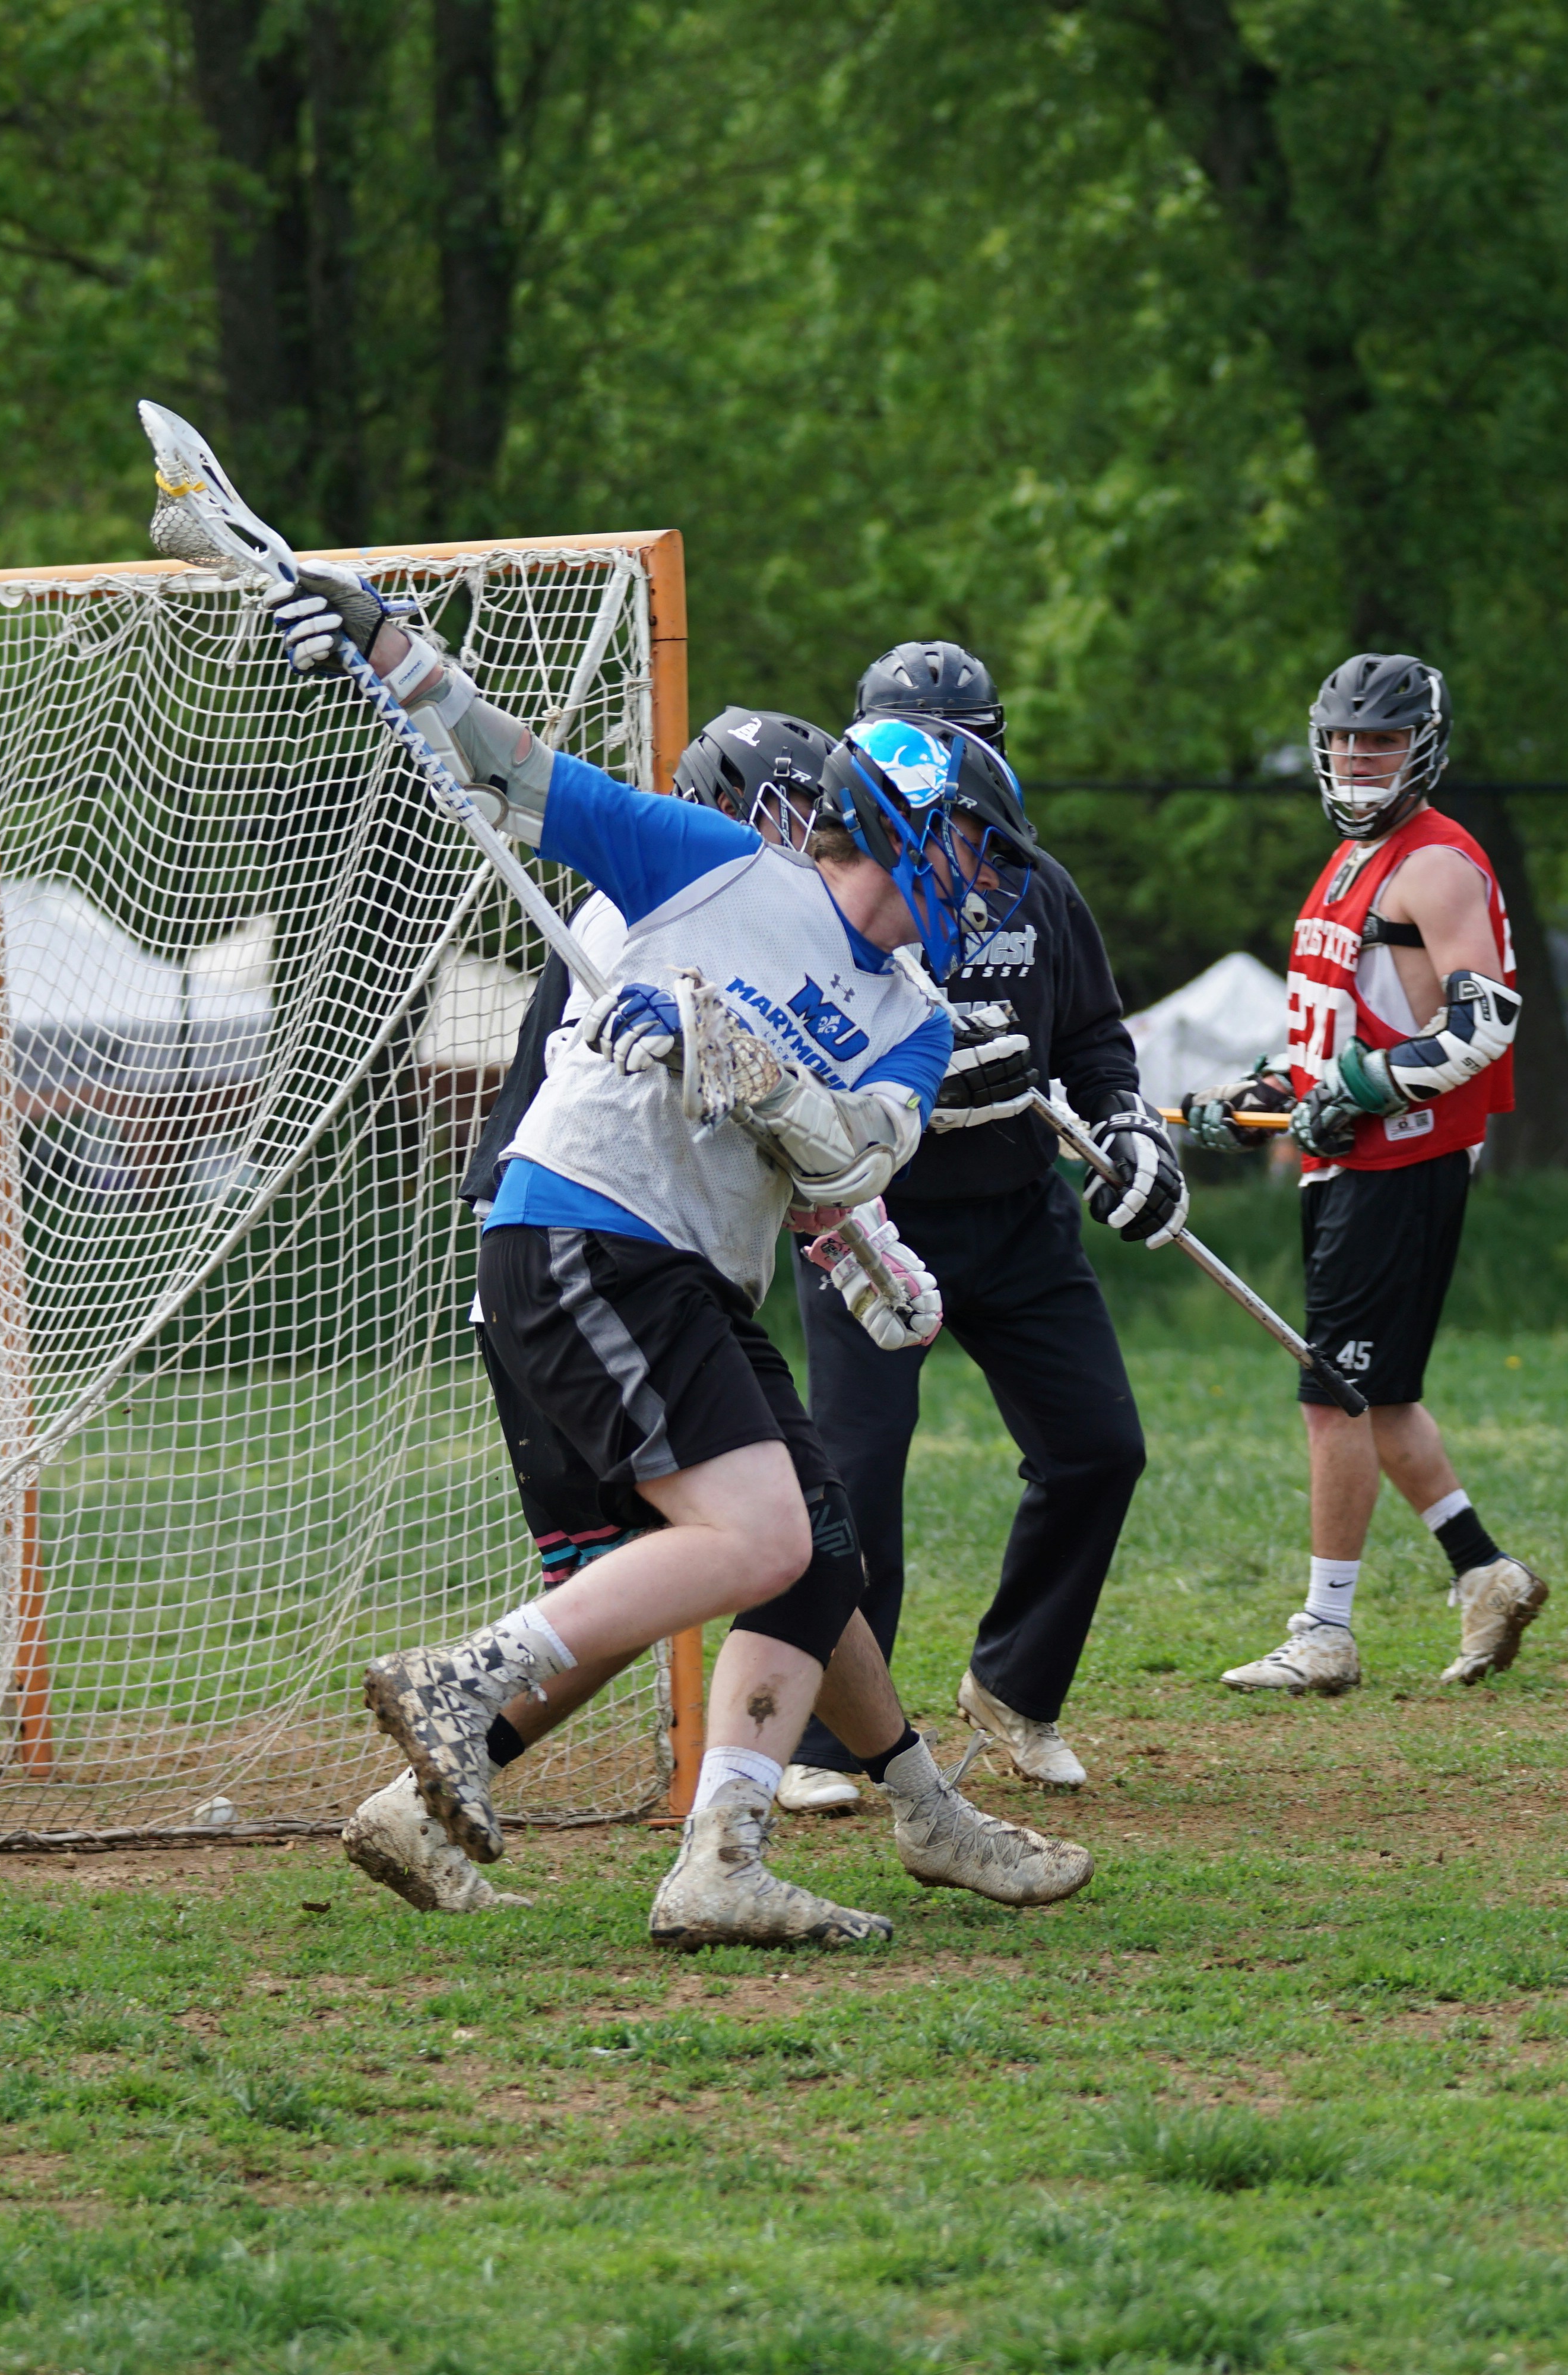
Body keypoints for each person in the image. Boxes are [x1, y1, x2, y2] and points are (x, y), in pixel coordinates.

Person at [271, 563, 1089, 1948]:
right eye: (972, 847)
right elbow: (509, 764)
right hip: (586, 1221)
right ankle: (471, 1687)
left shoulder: (914, 1015)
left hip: (694, 1274)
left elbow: (857, 1160)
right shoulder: (716, 868)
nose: (987, 882)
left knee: (810, 1550)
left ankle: (729, 1855)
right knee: (762, 1536)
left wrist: (757, 1075)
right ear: (902, 820)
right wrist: (376, 638)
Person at [340, 708, 845, 1915]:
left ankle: (415, 1803)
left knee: (693, 1563)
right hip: (590, 1264)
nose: (813, 843)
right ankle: (902, 1806)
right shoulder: (653, 913)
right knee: (759, 1546)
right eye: (794, 810)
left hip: (607, 1266)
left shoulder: (713, 914)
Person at [776, 641, 1179, 1814]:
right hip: (866, 1217)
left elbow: (1097, 1041)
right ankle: (823, 1734)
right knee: (856, 1475)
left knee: (1100, 1447)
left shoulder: (1039, 888)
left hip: (1019, 1218)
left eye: (968, 748)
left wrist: (1131, 1132)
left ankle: (1015, 1686)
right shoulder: (819, 895)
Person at [1181, 655, 1547, 1692]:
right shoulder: (1352, 859)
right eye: (1344, 741)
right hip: (1349, 1161)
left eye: (1379, 741)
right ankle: (1486, 1573)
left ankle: (1326, 1632)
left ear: (1420, 748)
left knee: (1332, 1395)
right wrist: (1263, 1094)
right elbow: (1346, 1021)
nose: (1358, 759)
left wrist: (1368, 1088)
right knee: (1375, 1395)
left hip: (1401, 1161)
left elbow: (1484, 1024)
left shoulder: (1435, 863)